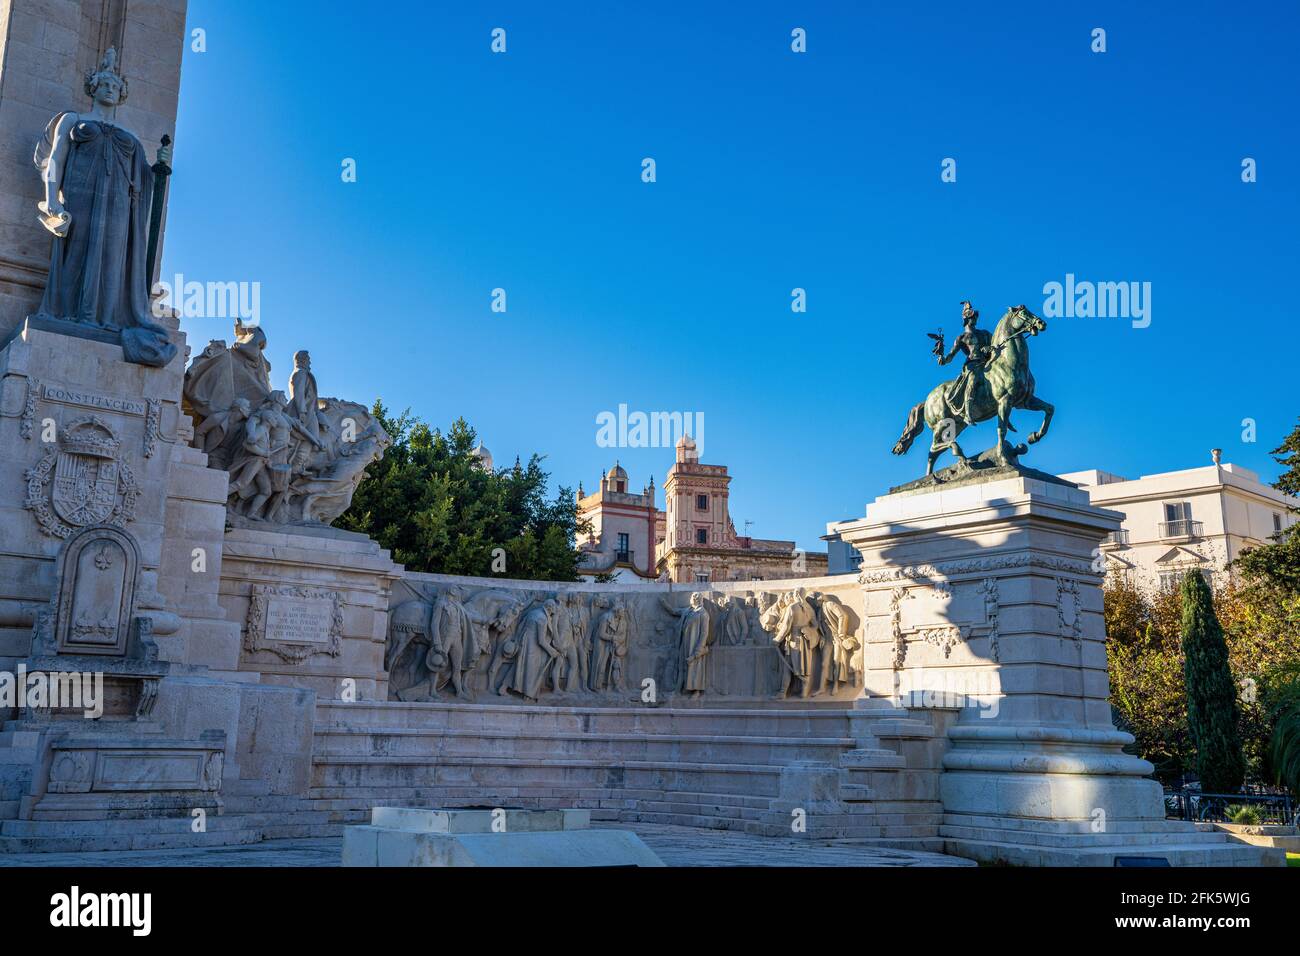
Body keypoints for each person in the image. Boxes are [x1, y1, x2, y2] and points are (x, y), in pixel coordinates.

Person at [33, 48, 176, 367]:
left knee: (114, 257)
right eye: (104, 84)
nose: (110, 89)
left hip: (119, 206)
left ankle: (108, 318)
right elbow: (55, 159)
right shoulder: (74, 120)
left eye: (115, 86)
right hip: (80, 196)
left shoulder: (130, 136)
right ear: (93, 88)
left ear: (121, 94)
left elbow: (143, 179)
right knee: (76, 252)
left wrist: (159, 169)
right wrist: (52, 197)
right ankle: (70, 313)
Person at [936, 301, 994, 426]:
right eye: (972, 317)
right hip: (972, 365)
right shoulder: (961, 338)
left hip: (987, 362)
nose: (975, 319)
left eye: (975, 316)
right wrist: (944, 360)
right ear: (966, 319)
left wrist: (990, 348)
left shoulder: (984, 333)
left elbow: (996, 344)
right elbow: (951, 355)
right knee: (973, 379)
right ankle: (968, 413)